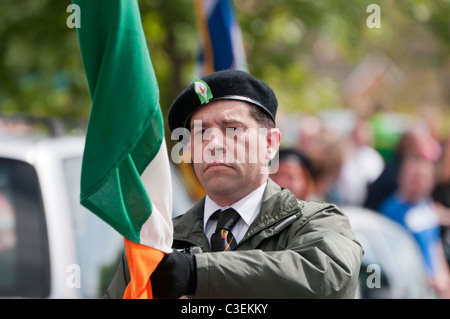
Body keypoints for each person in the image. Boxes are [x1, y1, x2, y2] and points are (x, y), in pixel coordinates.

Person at [105, 70, 363, 299]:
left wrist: (196, 275)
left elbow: (328, 277)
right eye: (200, 132)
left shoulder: (316, 222)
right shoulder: (161, 241)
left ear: (270, 144)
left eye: (232, 128)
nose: (213, 144)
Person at [378, 154, 450, 297]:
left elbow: (434, 244)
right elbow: (393, 257)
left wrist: (444, 276)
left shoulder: (426, 207)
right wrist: (428, 279)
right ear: (402, 176)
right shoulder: (391, 211)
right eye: (414, 176)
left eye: (423, 177)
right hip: (413, 288)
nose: (418, 181)